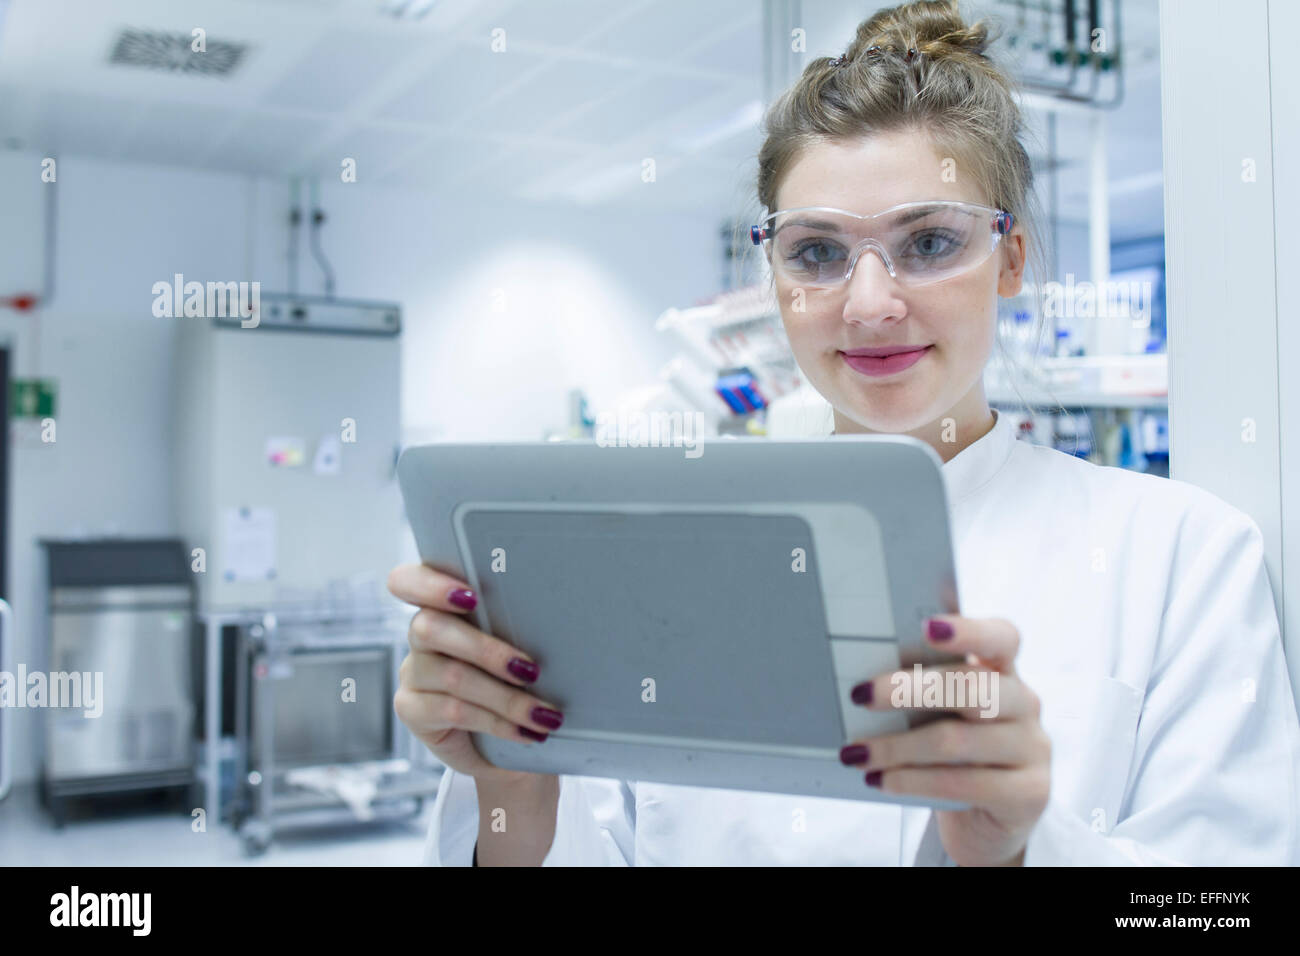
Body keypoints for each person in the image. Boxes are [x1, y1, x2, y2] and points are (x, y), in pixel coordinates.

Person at [387, 0, 1300, 865]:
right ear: (776, 275)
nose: (870, 303)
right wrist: (512, 787)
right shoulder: (668, 557)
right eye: (818, 252)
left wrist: (1024, 849)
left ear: (1011, 257)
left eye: (930, 241)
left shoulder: (1183, 556)